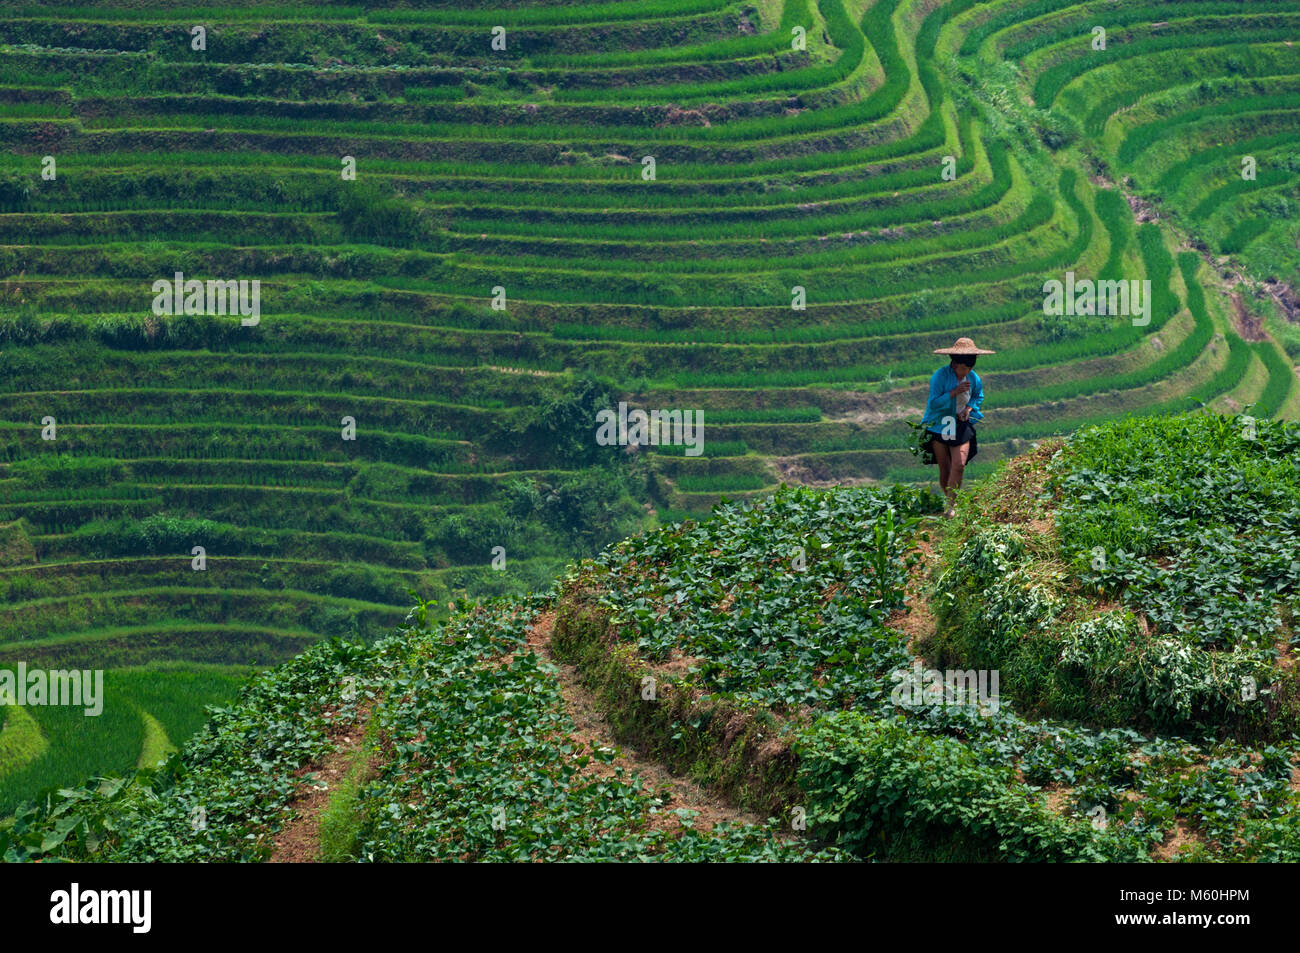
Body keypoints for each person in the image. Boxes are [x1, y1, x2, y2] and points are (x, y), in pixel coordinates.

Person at [922, 337, 995, 517]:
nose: (966, 373)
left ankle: (951, 505)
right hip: (941, 424)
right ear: (954, 364)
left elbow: (978, 396)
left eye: (969, 369)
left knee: (959, 464)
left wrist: (969, 409)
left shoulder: (973, 377)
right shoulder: (940, 377)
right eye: (963, 369)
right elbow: (934, 404)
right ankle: (949, 504)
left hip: (961, 423)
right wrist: (955, 392)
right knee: (945, 467)